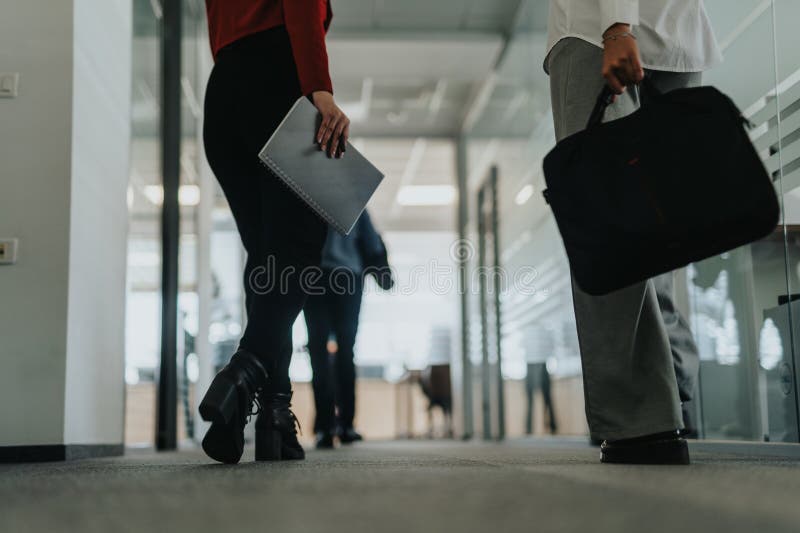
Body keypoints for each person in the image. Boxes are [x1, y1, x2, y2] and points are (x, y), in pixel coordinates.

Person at [545, 0, 721, 464]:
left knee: (633, 234)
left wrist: (618, 24)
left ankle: (657, 411)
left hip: (637, 31)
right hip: (634, 30)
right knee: (631, 233)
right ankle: (657, 410)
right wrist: (618, 23)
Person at [198, 0, 351, 464]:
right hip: (278, 82)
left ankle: (275, 417)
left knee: (269, 264)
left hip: (223, 93)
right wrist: (318, 90)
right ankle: (242, 373)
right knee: (300, 250)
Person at [303, 211, 393, 448]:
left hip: (315, 277)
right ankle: (346, 425)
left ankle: (325, 427)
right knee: (345, 352)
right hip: (348, 278)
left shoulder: (310, 197)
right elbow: (372, 244)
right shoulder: (356, 203)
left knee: (318, 352)